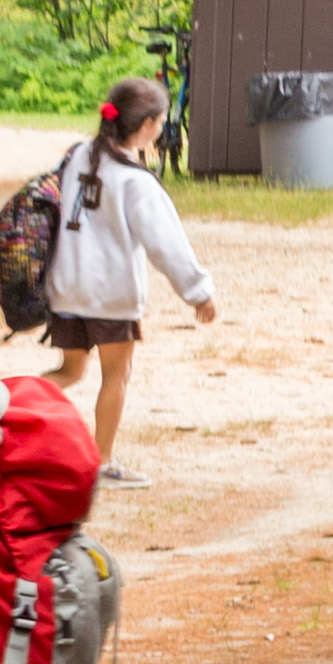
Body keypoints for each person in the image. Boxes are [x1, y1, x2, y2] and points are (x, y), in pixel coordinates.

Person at [38, 74, 217, 474]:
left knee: (69, 371)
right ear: (147, 126)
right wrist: (198, 291)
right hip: (111, 297)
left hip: (66, 287)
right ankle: (102, 462)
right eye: (160, 122)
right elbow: (165, 244)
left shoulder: (77, 155)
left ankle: (3, 405)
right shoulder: (136, 182)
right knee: (116, 374)